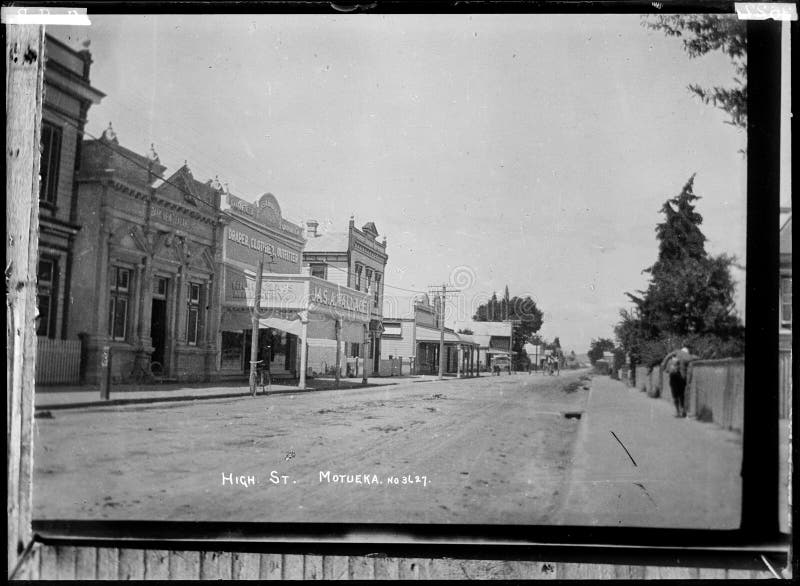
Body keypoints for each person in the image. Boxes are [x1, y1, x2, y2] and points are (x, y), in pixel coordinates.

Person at [661, 346, 698, 418]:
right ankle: (683, 410)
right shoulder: (689, 357)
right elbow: (696, 360)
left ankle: (677, 411)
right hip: (682, 378)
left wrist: (664, 364)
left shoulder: (677, 352)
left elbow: (668, 356)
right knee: (681, 394)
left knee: (674, 394)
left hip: (673, 376)